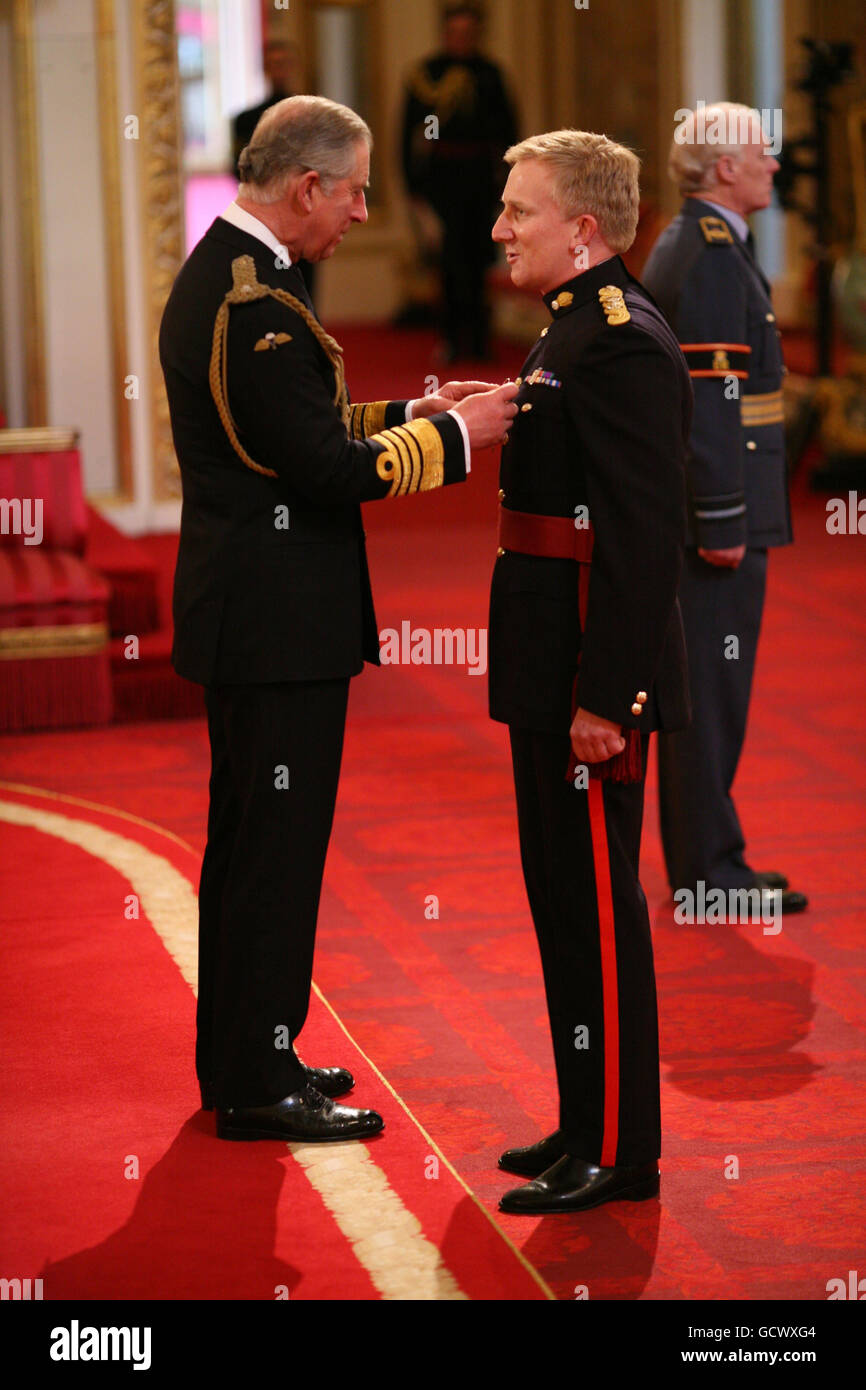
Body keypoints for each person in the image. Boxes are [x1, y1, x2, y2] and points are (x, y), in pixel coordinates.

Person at [159, 94, 517, 1144]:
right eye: (356, 191)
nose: (364, 211)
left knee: (254, 846)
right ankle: (257, 1081)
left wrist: (406, 414)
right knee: (272, 849)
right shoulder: (251, 303)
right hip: (274, 623)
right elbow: (317, 467)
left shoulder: (251, 281)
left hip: (262, 616)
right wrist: (456, 440)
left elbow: (292, 429)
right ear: (307, 185)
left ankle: (248, 1053)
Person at [487, 130, 692, 1213]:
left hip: (585, 670)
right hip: (546, 650)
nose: (498, 227)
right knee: (560, 897)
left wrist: (605, 699)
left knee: (598, 908)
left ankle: (617, 1148)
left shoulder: (615, 338)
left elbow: (640, 534)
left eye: (517, 211)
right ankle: (582, 1114)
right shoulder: (570, 328)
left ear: (580, 229)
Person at [641, 104, 807, 916]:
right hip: (719, 515)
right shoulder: (705, 256)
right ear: (723, 170)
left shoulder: (708, 243)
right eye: (761, 155)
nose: (774, 167)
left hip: (729, 505)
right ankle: (709, 873)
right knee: (709, 692)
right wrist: (723, 519)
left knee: (715, 690)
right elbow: (712, 402)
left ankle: (715, 860)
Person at [401, 2, 517, 359]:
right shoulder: (426, 73)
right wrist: (413, 188)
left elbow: (510, 132)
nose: (461, 39)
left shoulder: (491, 73)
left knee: (481, 261)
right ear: (445, 33)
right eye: (455, 32)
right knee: (448, 265)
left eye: (468, 32)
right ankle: (451, 340)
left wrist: (511, 184)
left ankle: (480, 341)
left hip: (482, 181)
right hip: (442, 181)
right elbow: (408, 134)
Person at [230, 38, 315, 298]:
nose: (279, 70)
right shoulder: (246, 121)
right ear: (265, 68)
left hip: (303, 216)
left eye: (284, 63)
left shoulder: (312, 117)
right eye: (273, 64)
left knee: (304, 291)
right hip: (265, 220)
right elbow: (239, 170)